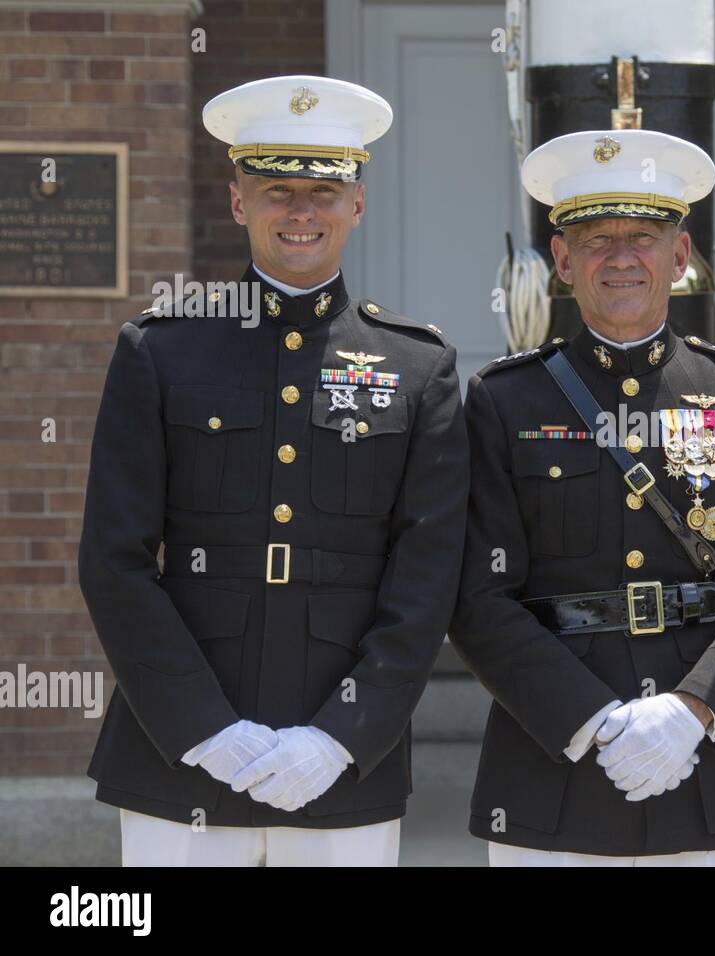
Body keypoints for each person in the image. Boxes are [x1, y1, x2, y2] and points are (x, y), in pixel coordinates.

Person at [79, 75, 469, 866]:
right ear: (237, 201)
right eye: (276, 189)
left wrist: (341, 736)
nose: (301, 211)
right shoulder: (162, 349)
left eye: (323, 190)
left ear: (357, 205)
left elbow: (427, 574)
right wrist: (203, 729)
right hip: (178, 750)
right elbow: (113, 561)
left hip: (342, 753)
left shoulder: (417, 367)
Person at [448, 128, 715, 865]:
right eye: (594, 238)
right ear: (561, 259)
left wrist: (695, 707)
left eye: (643, 236)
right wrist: (588, 718)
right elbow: (477, 596)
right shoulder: (503, 401)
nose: (620, 257)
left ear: (680, 257)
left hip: (710, 769)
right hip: (553, 768)